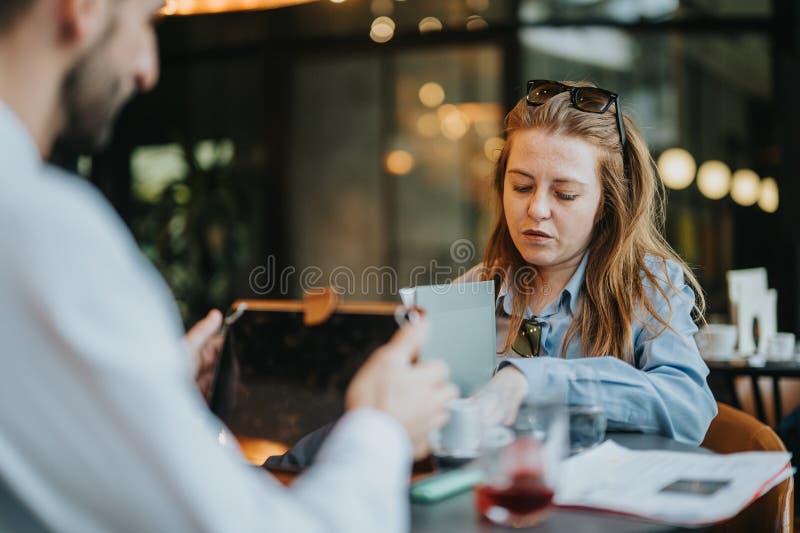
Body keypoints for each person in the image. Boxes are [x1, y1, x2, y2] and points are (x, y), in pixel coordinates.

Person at [0, 1, 457, 532]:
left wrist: (154, 392)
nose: (148, 72)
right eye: (149, 23)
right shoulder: (39, 232)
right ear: (84, 8)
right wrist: (382, 427)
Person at [465, 80, 717, 445]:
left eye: (565, 194)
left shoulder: (647, 286)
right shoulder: (473, 291)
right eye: (521, 186)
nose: (536, 209)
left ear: (607, 204)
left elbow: (689, 409)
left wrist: (537, 381)